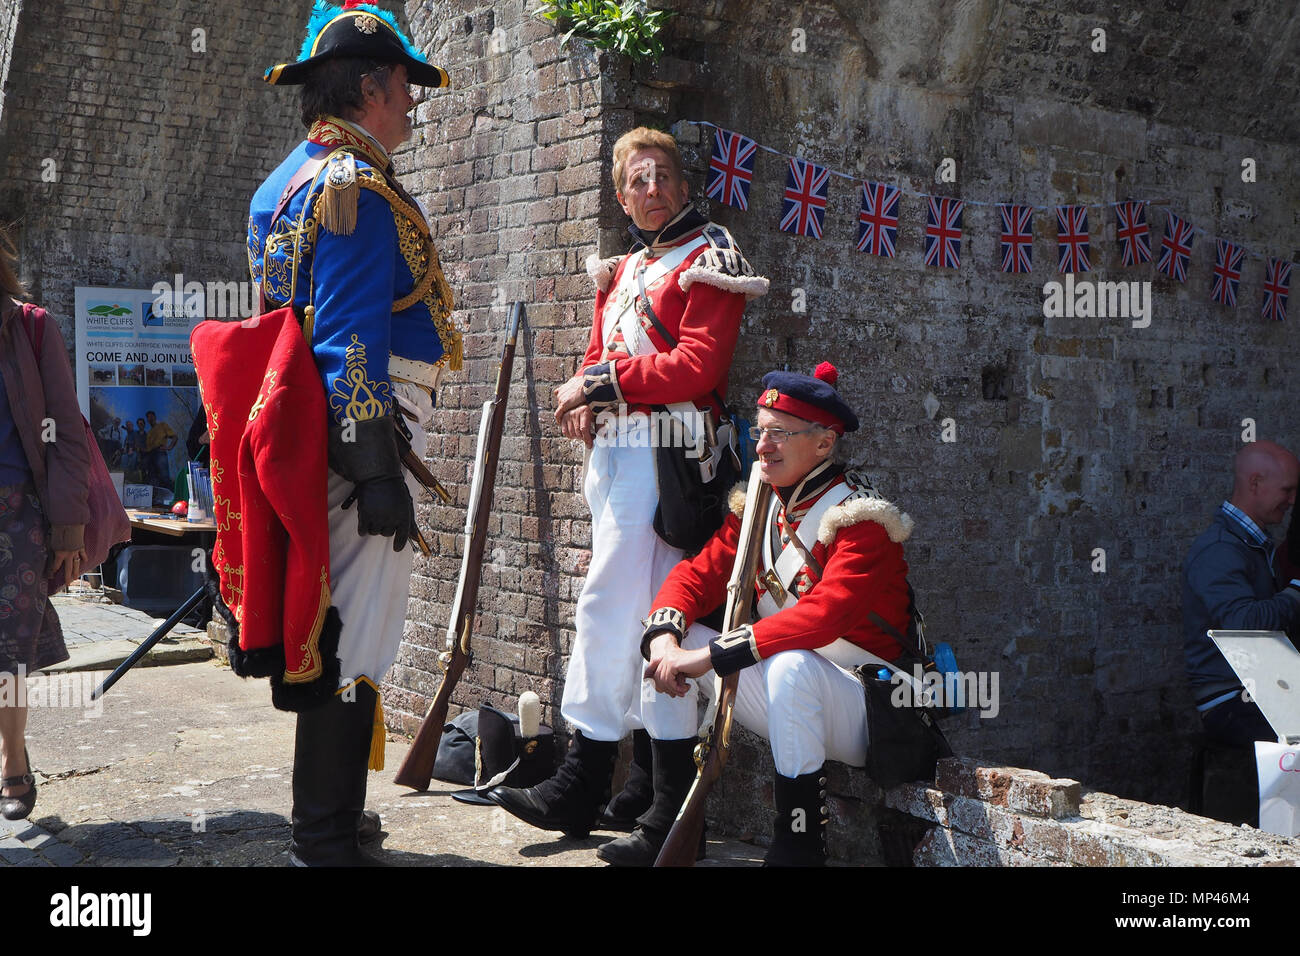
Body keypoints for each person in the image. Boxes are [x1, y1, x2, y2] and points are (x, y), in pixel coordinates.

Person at [196, 0, 459, 867]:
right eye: (405, 86)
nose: (412, 102)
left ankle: (337, 820)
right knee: (354, 631)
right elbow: (348, 341)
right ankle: (324, 835)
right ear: (372, 88)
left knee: (334, 620)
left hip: (316, 425)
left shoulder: (283, 181)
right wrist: (377, 468)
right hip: (364, 427)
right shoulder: (356, 188)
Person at [488, 127, 768, 840]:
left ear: (684, 185)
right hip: (616, 457)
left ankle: (592, 782)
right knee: (639, 615)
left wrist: (599, 385)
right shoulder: (620, 272)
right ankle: (648, 793)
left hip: (667, 456)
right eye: (638, 181)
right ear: (621, 198)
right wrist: (589, 400)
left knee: (617, 610)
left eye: (663, 176)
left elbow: (698, 367)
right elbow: (598, 356)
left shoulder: (711, 256)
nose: (652, 189)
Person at [612, 363, 915, 866]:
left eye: (779, 434)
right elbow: (698, 574)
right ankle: (669, 820)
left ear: (824, 443)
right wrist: (666, 640)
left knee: (792, 667)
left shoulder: (863, 519)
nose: (762, 446)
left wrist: (712, 655)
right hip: (789, 693)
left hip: (870, 703)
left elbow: (824, 616)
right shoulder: (761, 507)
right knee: (661, 637)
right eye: (760, 431)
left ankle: (799, 845)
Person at [0, 224, 91, 820]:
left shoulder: (31, 327)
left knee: (10, 652)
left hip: (17, 518)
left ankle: (12, 759)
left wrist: (66, 531)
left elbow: (67, 434)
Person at [1183, 440, 1300, 746]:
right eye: (1287, 490)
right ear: (1255, 483)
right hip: (1232, 700)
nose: (1292, 500)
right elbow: (1244, 623)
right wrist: (1297, 590)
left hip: (1263, 689)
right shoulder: (1219, 549)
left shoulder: (1253, 544)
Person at [143, 410, 177, 487]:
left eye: (151, 416)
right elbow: (147, 448)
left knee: (164, 477)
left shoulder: (162, 425)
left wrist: (169, 447)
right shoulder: (149, 433)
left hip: (159, 452)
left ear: (155, 417)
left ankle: (169, 492)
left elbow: (174, 437)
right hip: (150, 456)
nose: (150, 418)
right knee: (152, 479)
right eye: (148, 417)